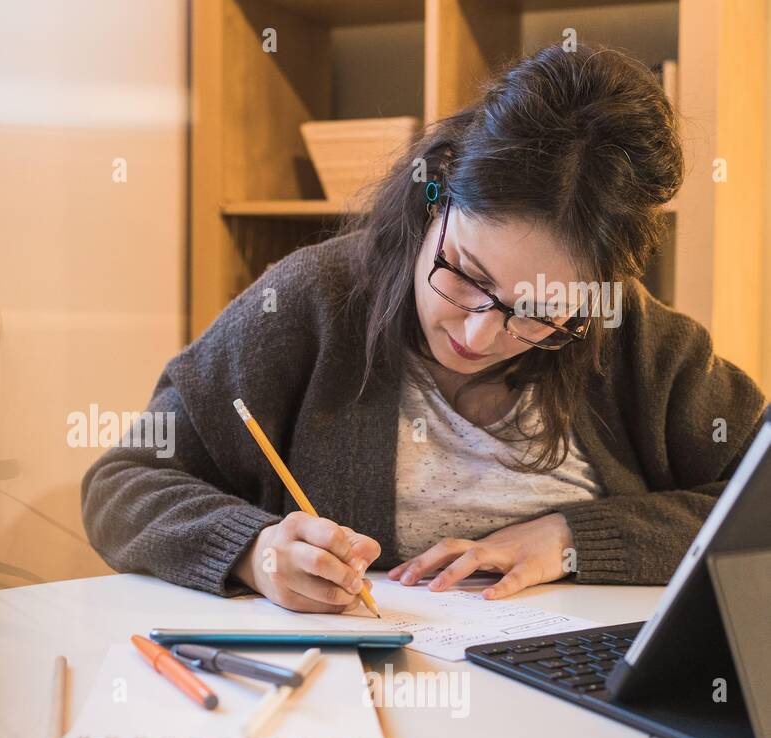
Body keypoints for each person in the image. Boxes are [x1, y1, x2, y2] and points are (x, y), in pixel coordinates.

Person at [81, 44, 767, 615]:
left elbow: (758, 507)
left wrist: (572, 539)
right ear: (437, 188)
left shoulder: (635, 339)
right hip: (351, 699)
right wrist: (254, 552)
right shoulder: (310, 303)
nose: (476, 333)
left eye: (537, 313)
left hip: (580, 710)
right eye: (465, 274)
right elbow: (123, 485)